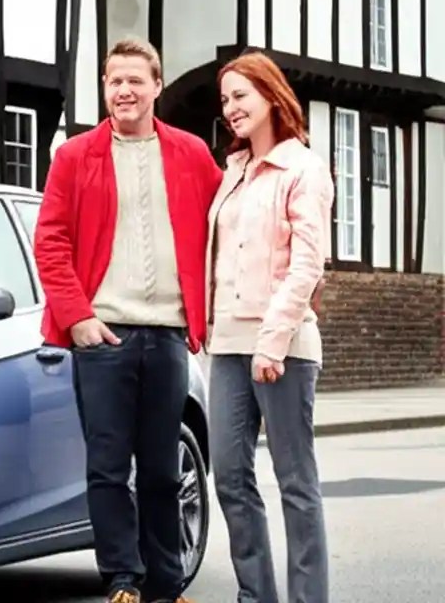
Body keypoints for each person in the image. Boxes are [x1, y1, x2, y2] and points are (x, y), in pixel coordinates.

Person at [33, 36, 222, 603]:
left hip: (167, 333)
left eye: (135, 80)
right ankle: (123, 578)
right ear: (105, 88)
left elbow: (226, 225)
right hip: (103, 335)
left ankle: (167, 583)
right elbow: (50, 242)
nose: (124, 91)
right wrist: (79, 319)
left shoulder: (191, 154)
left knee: (163, 470)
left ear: (157, 86)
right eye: (115, 81)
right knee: (108, 468)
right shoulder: (75, 156)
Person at [206, 51, 332, 603]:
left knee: (296, 483)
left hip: (282, 345)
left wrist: (273, 341)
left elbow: (307, 263)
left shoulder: (303, 168)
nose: (231, 108)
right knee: (229, 478)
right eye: (226, 99)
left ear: (270, 95)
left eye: (241, 95)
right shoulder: (233, 172)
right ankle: (256, 595)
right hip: (227, 343)